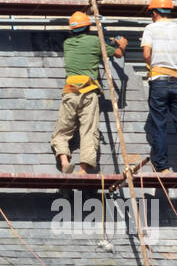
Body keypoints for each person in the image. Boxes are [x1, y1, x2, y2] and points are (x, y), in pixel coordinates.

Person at [51, 11, 126, 174]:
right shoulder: (95, 41)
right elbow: (118, 54)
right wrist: (121, 44)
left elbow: (86, 45)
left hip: (70, 91)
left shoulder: (67, 43)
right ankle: (83, 169)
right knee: (88, 131)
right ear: (89, 27)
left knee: (62, 130)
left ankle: (64, 162)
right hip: (89, 92)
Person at [141, 0, 177, 172]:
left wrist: (156, 65)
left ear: (155, 12)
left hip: (158, 82)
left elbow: (147, 55)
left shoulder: (150, 29)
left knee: (159, 124)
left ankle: (162, 166)